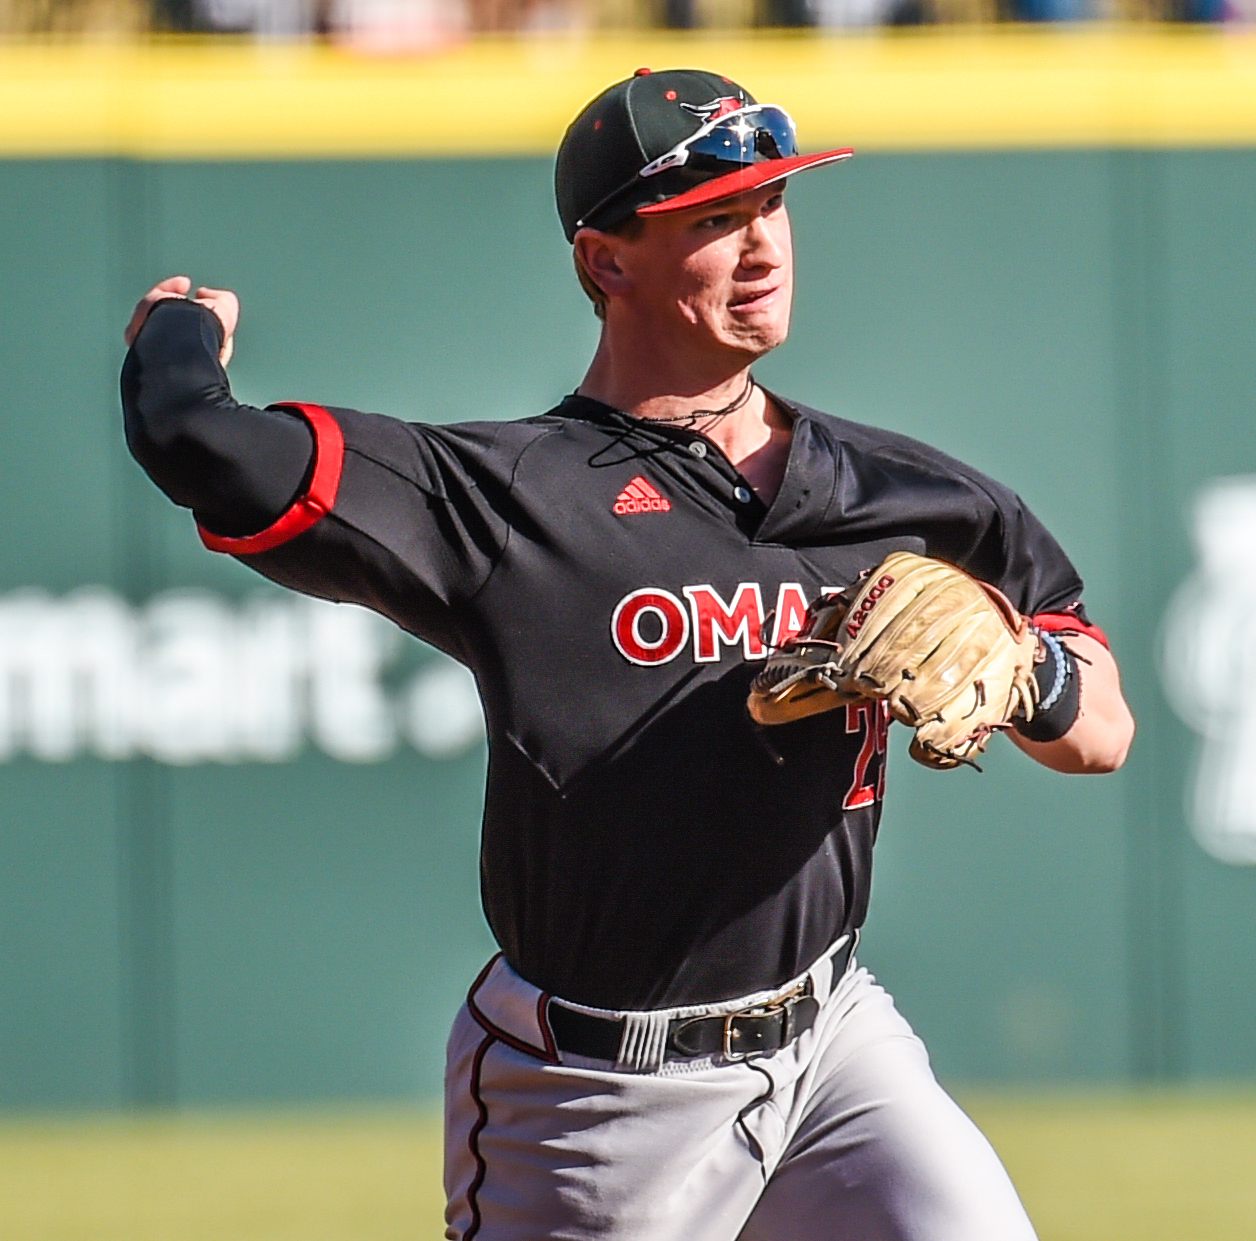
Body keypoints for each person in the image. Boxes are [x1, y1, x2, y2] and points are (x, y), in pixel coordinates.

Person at [120, 67, 1134, 1241]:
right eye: (715, 218)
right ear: (606, 262)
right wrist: (178, 330)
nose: (763, 245)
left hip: (834, 1043)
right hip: (597, 1093)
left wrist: (1027, 667)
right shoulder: (509, 500)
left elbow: (1103, 730)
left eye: (773, 204)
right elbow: (197, 441)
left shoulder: (910, 497)